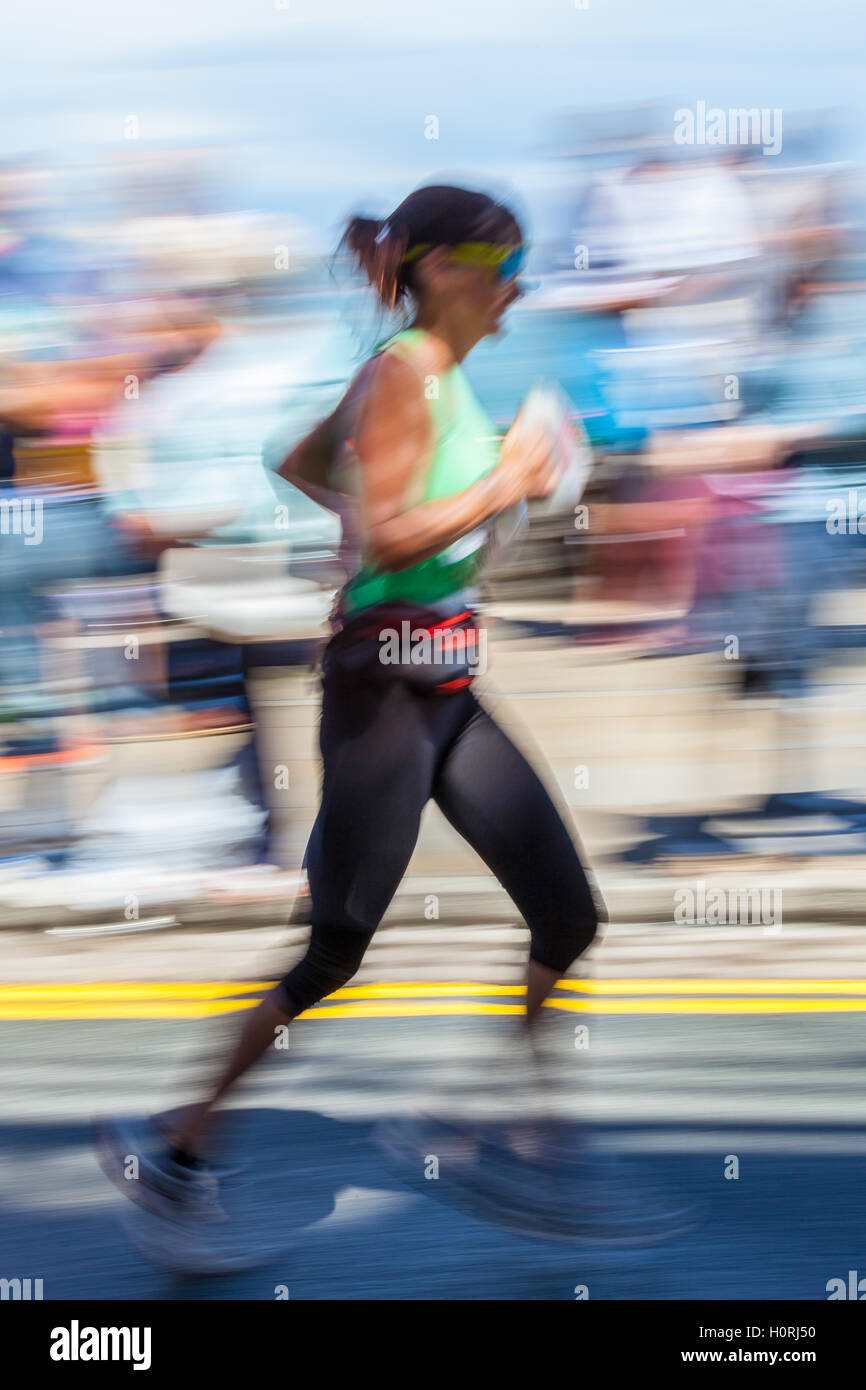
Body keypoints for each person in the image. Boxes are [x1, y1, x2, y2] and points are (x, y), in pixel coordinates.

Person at [95, 185, 604, 1265]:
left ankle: (485, 1128)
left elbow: (303, 464)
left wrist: (381, 527)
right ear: (447, 270)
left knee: (567, 913)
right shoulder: (399, 373)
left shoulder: (437, 380)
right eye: (505, 266)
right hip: (381, 689)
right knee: (336, 948)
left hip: (448, 681)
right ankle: (171, 1148)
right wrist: (502, 481)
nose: (518, 289)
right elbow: (391, 534)